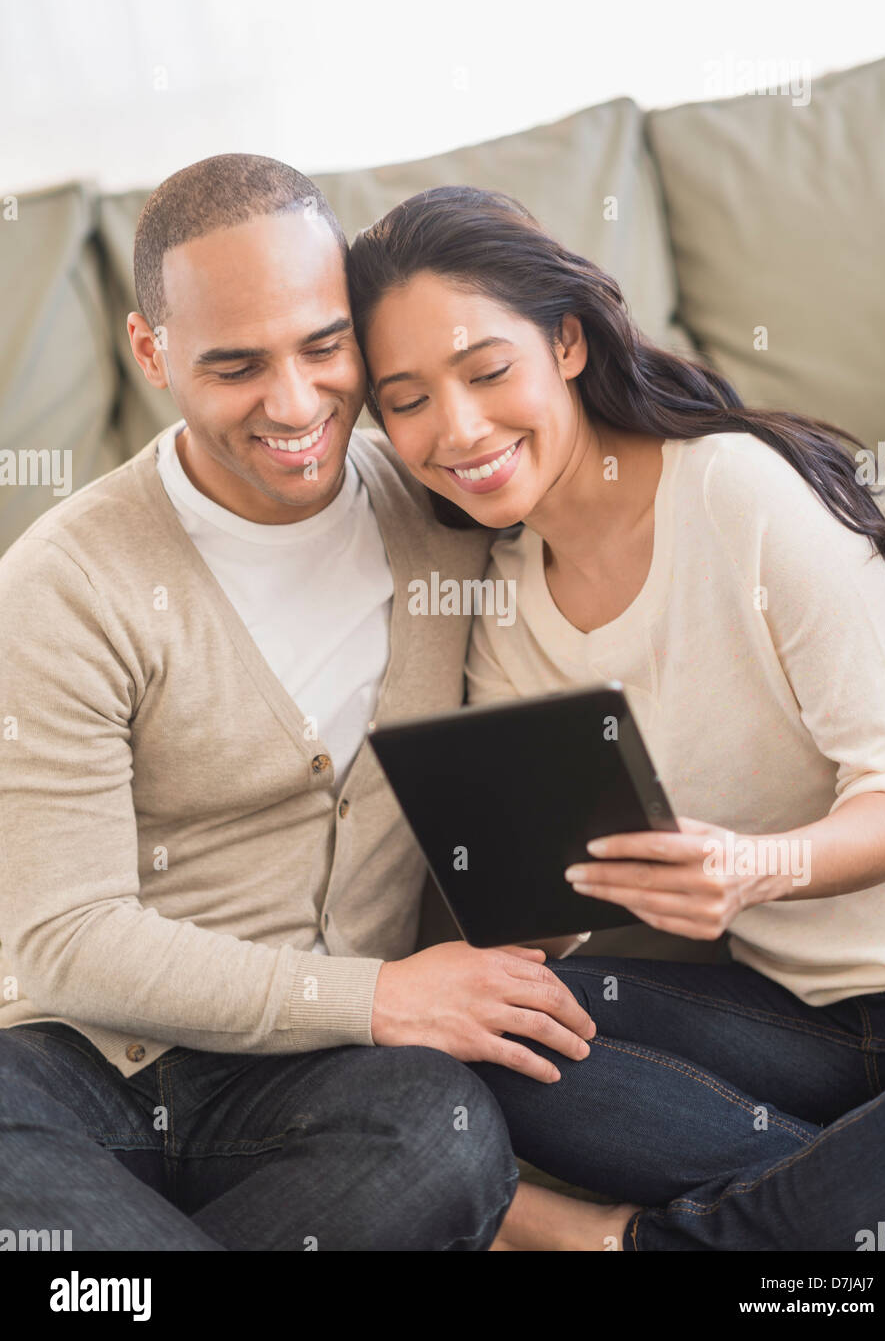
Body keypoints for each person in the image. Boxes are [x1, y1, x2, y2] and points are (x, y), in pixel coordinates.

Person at [0, 156, 598, 1252]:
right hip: (68, 1065)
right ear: (151, 351)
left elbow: (618, 495)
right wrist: (378, 998)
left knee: (446, 1137)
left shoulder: (443, 501)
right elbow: (67, 941)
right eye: (236, 365)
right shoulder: (63, 584)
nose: (294, 403)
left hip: (305, 1089)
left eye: (325, 347)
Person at [346, 184, 885, 1250]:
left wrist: (757, 867)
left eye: (487, 372)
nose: (458, 429)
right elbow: (545, 903)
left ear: (567, 344)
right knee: (484, 1044)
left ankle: (620, 1242)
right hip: (797, 1025)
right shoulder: (504, 605)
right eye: (408, 400)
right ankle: (855, 1200)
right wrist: (467, 962)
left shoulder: (738, 493)